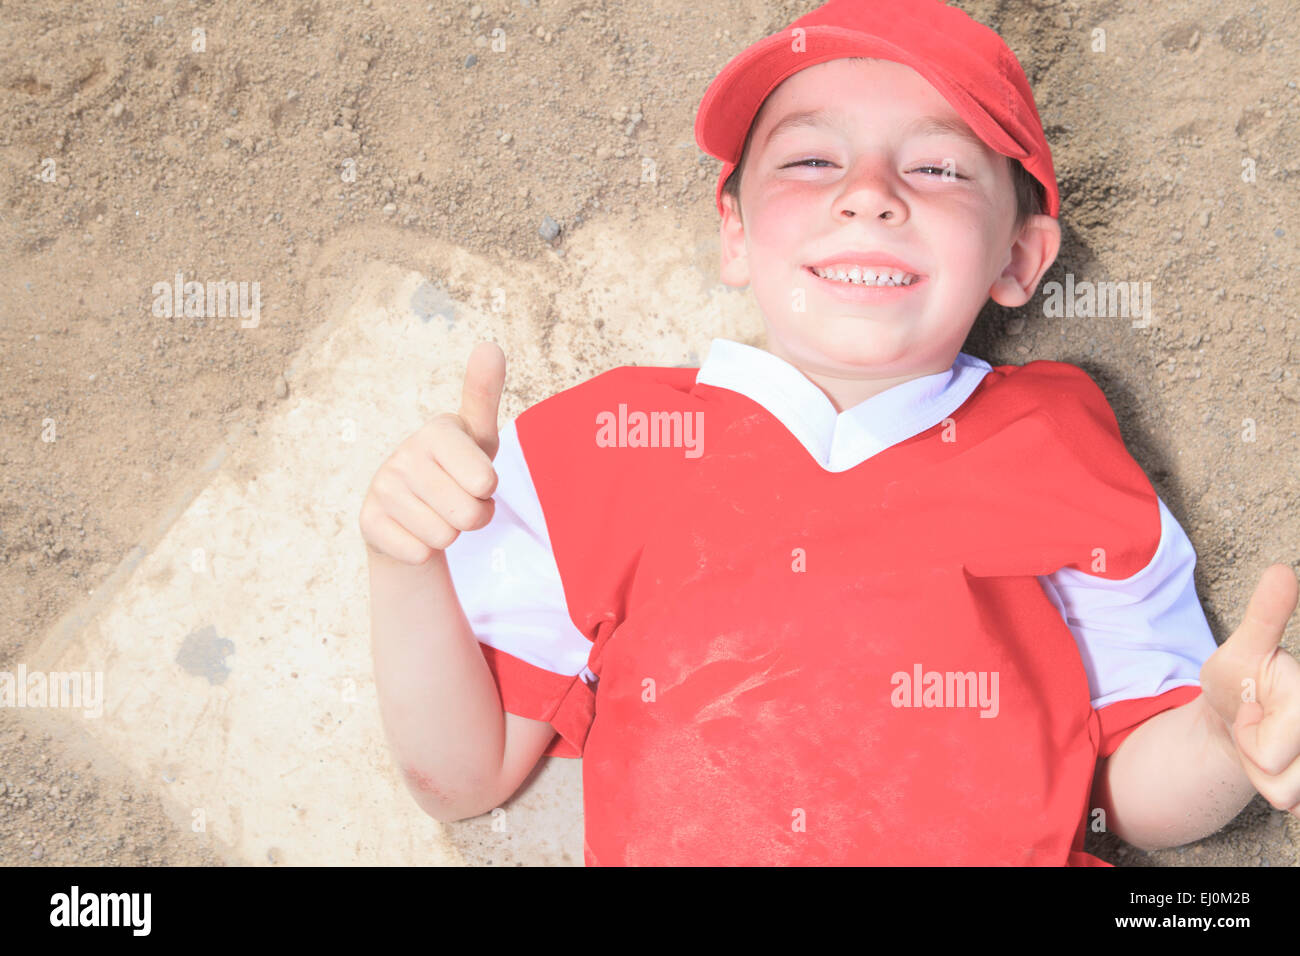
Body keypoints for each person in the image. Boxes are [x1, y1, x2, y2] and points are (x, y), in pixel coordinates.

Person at [360, 0, 1300, 865]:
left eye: (936, 168)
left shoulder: (1060, 444)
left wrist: (1221, 746)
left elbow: (1123, 795)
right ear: (733, 232)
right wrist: (404, 564)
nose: (869, 193)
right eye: (812, 161)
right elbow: (464, 776)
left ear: (1018, 256)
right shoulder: (603, 444)